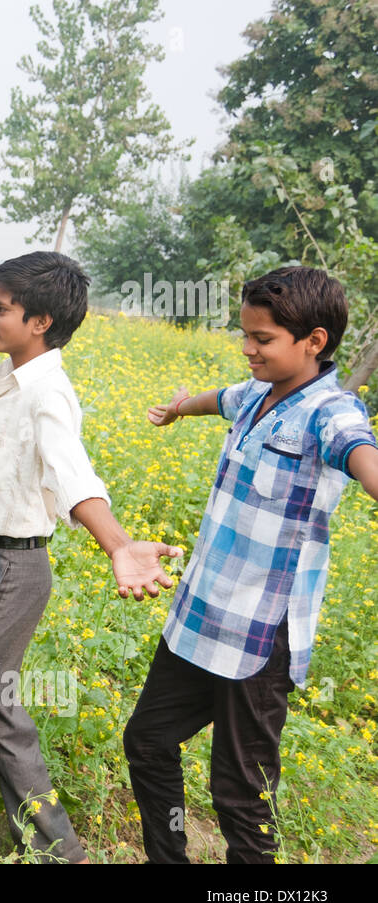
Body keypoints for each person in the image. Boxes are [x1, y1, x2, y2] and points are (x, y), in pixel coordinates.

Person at [0, 251, 182, 862]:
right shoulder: (15, 378)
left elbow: (72, 474)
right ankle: (58, 852)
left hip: (5, 573)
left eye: (1, 309)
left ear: (40, 320)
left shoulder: (48, 394)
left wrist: (118, 544)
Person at [125, 266, 378, 864]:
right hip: (201, 615)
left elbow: (359, 452)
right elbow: (221, 400)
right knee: (148, 741)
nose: (247, 349)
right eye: (245, 335)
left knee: (240, 795)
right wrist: (179, 408)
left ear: (314, 342)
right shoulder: (256, 394)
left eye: (262, 340)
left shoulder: (329, 412)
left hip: (262, 636)